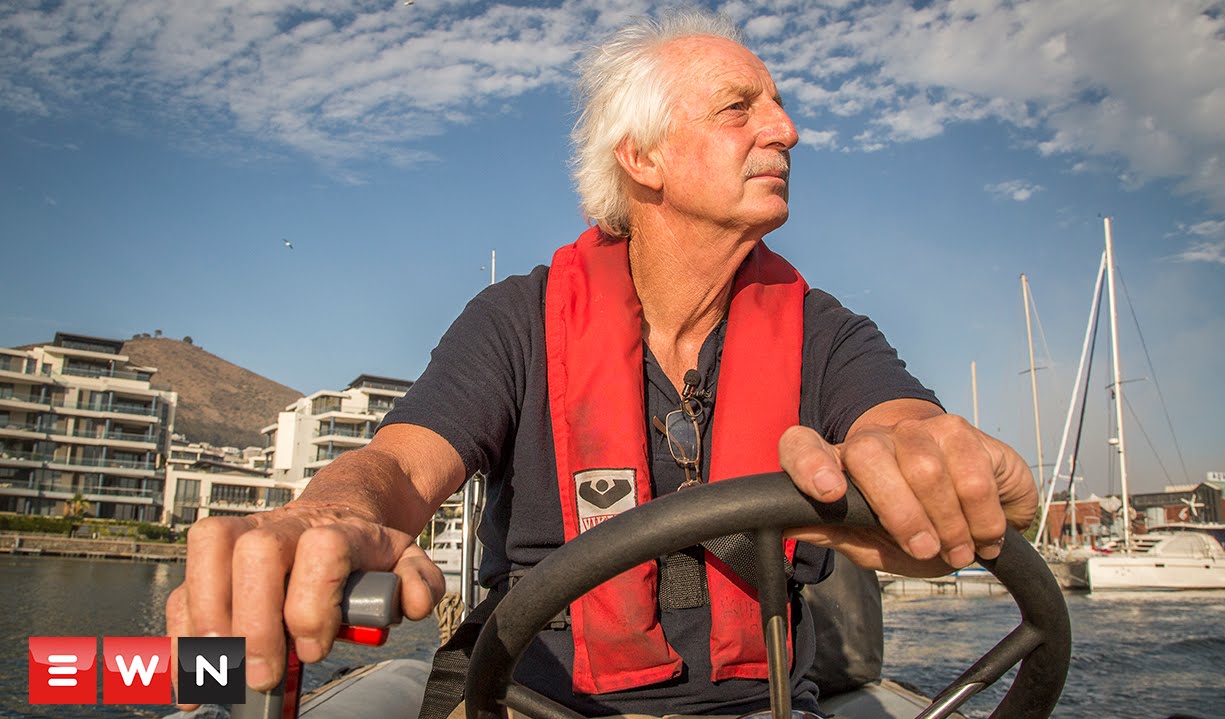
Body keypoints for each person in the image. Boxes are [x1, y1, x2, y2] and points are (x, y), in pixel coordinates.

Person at [166, 10, 1037, 717]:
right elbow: (395, 465)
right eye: (740, 108)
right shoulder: (518, 320)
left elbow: (901, 422)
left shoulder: (824, 334)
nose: (788, 129)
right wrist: (328, 514)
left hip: (765, 705)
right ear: (643, 157)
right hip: (536, 706)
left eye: (776, 106)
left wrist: (935, 459)